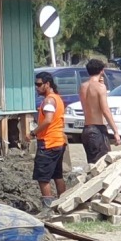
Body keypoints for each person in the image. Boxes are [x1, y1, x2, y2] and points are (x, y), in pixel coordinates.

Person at [31, 71, 68, 208]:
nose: (36, 87)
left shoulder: (49, 100)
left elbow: (48, 120)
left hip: (48, 143)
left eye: (39, 84)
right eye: (35, 84)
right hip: (58, 142)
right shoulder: (56, 98)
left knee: (43, 177)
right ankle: (64, 204)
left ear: (47, 84)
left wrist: (33, 133)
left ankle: (48, 208)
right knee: (57, 175)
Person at [79, 58, 121, 164]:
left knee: (92, 164)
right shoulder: (100, 87)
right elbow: (105, 110)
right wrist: (115, 131)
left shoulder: (83, 87)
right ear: (102, 70)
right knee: (102, 165)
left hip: (86, 129)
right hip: (97, 129)